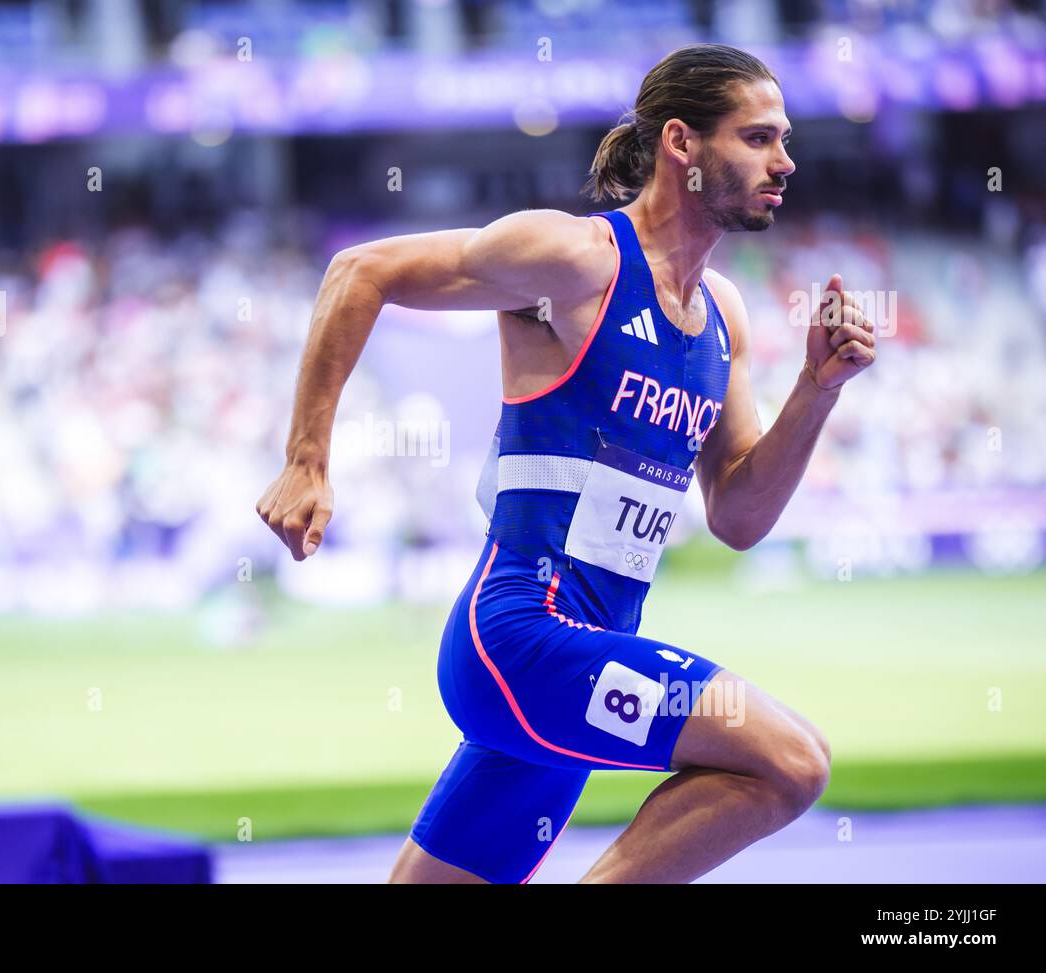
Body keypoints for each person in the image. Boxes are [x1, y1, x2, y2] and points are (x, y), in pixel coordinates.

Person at [256, 43, 877, 884]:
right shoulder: (575, 261)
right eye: (759, 138)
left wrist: (816, 388)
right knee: (793, 761)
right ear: (681, 144)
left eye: (784, 139)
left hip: (587, 663)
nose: (786, 161)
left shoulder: (721, 316)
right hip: (520, 638)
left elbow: (738, 515)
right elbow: (359, 270)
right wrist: (306, 459)